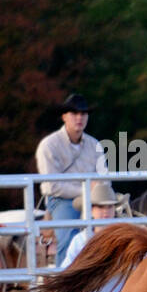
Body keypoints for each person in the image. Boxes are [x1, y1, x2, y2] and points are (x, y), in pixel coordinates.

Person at [36, 93, 108, 266]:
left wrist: (100, 193)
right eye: (74, 113)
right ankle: (63, 282)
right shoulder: (49, 145)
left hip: (94, 200)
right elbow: (52, 186)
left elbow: (105, 178)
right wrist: (87, 190)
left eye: (83, 114)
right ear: (64, 116)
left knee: (119, 229)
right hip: (61, 200)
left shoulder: (94, 145)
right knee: (68, 236)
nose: (79, 118)